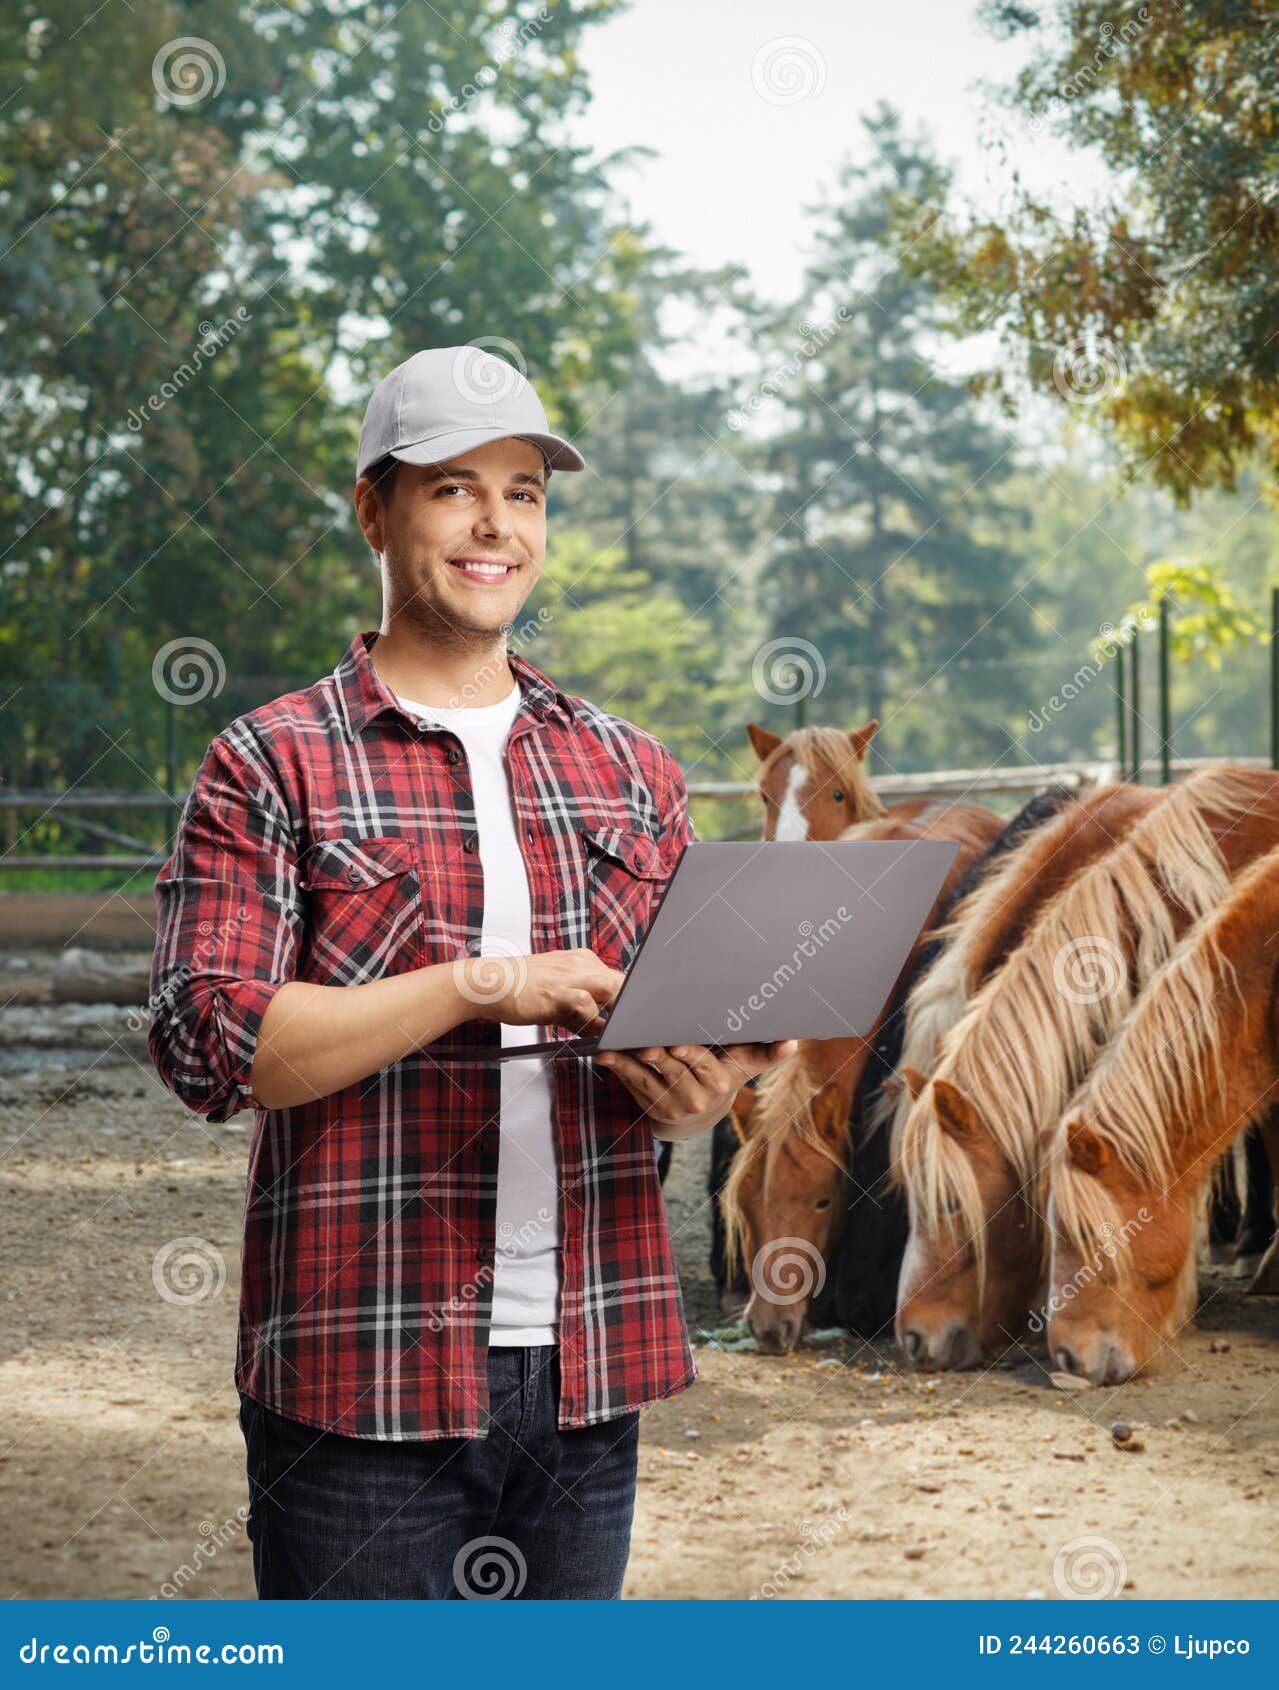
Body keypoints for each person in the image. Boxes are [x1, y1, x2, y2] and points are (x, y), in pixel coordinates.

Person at [146, 345, 796, 1600]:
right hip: (359, 1375)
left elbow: (690, 1042)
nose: (497, 523)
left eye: (526, 491)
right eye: (453, 488)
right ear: (374, 511)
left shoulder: (629, 768)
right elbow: (217, 1046)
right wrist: (481, 985)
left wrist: (701, 1092)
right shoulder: (272, 762)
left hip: (588, 1367)